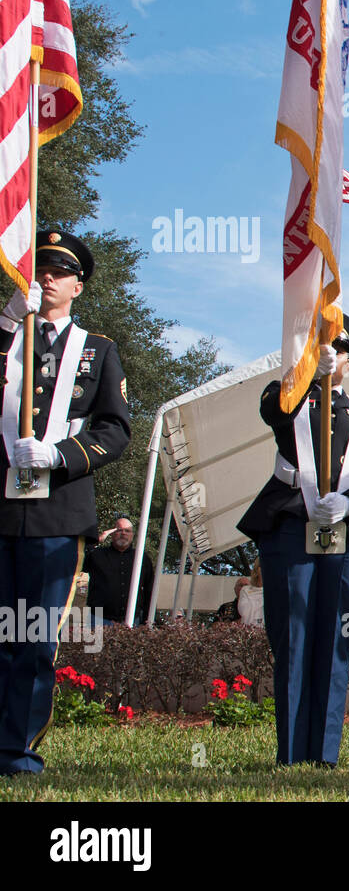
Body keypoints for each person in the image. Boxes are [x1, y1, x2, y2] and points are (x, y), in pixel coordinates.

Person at [0, 231, 131, 775]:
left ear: (78, 285)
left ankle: (15, 751)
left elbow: (115, 428)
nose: (46, 276)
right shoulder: (5, 336)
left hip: (57, 511)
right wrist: (7, 320)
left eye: (58, 270)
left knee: (32, 637)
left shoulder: (97, 351)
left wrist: (60, 457)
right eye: (39, 267)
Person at [236, 314, 349, 766]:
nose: (332, 356)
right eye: (322, 349)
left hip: (346, 531)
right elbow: (273, 411)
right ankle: (291, 753)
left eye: (340, 350)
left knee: (335, 638)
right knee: (292, 636)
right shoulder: (288, 394)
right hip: (288, 524)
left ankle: (324, 754)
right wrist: (308, 375)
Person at [84, 516, 153, 627]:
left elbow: (150, 589)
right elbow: (79, 562)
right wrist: (96, 541)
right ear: (111, 533)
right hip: (98, 619)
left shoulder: (142, 558)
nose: (123, 533)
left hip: (132, 620)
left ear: (132, 535)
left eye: (127, 531)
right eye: (119, 530)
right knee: (94, 645)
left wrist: (146, 619)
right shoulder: (97, 555)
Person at [238, 562, 264, 627]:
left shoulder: (277, 591)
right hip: (249, 631)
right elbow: (244, 612)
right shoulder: (245, 590)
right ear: (257, 570)